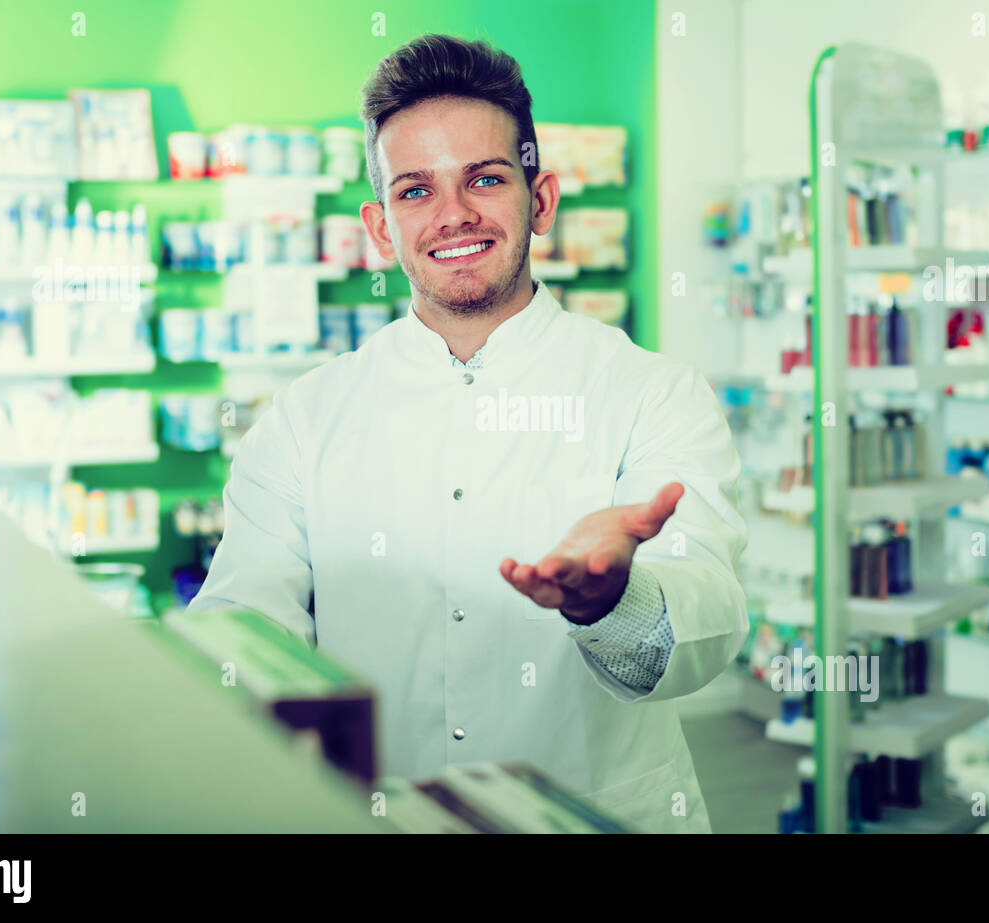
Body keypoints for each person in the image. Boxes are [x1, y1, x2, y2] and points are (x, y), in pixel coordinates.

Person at [189, 34, 748, 833]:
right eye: (415, 191)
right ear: (380, 228)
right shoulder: (303, 421)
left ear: (542, 198)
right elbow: (247, 622)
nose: (453, 215)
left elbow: (707, 617)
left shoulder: (652, 392)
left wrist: (612, 598)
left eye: (484, 178)